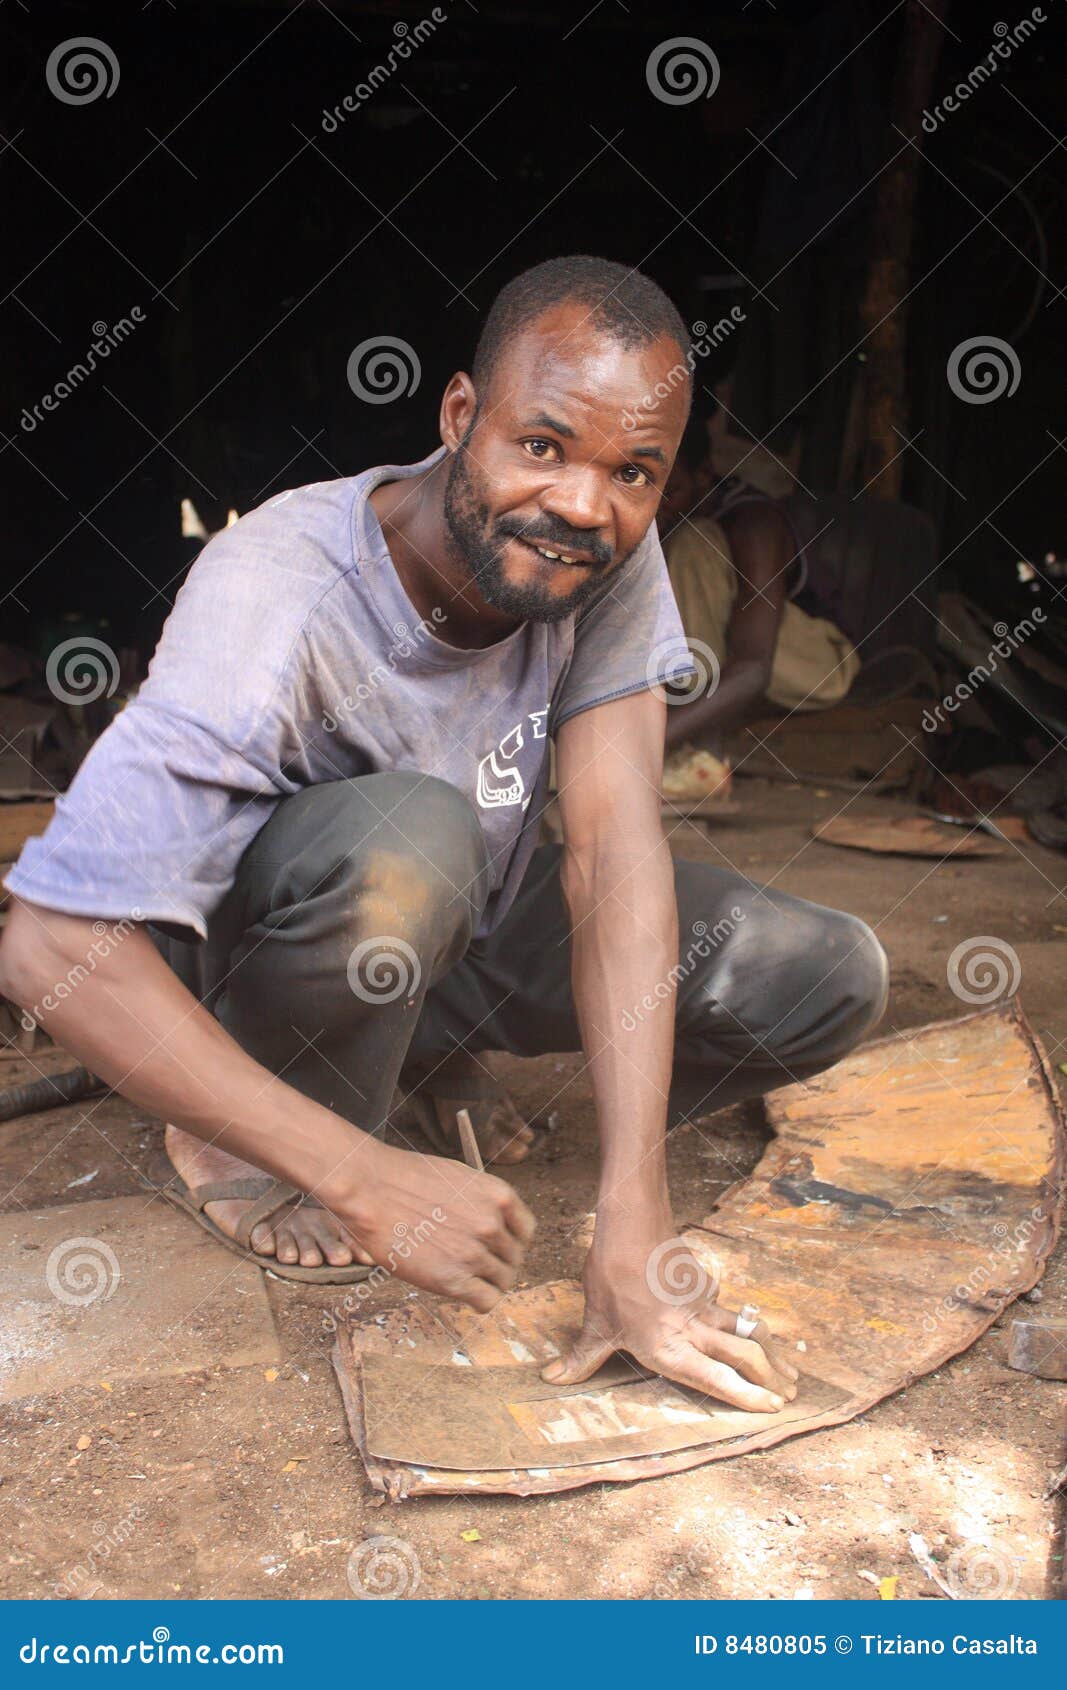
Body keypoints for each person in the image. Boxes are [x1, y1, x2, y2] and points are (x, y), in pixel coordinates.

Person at [0, 256, 887, 1408]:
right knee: (417, 837)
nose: (583, 503)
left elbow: (613, 857)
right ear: (460, 416)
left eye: (632, 471)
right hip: (267, 943)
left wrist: (632, 1209)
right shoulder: (280, 587)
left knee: (826, 975)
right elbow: (49, 944)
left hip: (451, 920)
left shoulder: (598, 554)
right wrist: (359, 1175)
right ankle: (248, 1131)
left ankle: (414, 1053)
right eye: (542, 445)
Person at [659, 415, 861, 751]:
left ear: (704, 474)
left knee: (694, 541)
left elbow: (754, 667)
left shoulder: (755, 527)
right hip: (730, 659)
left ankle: (701, 732)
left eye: (669, 492)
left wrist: (651, 744)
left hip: (814, 667)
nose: (652, 506)